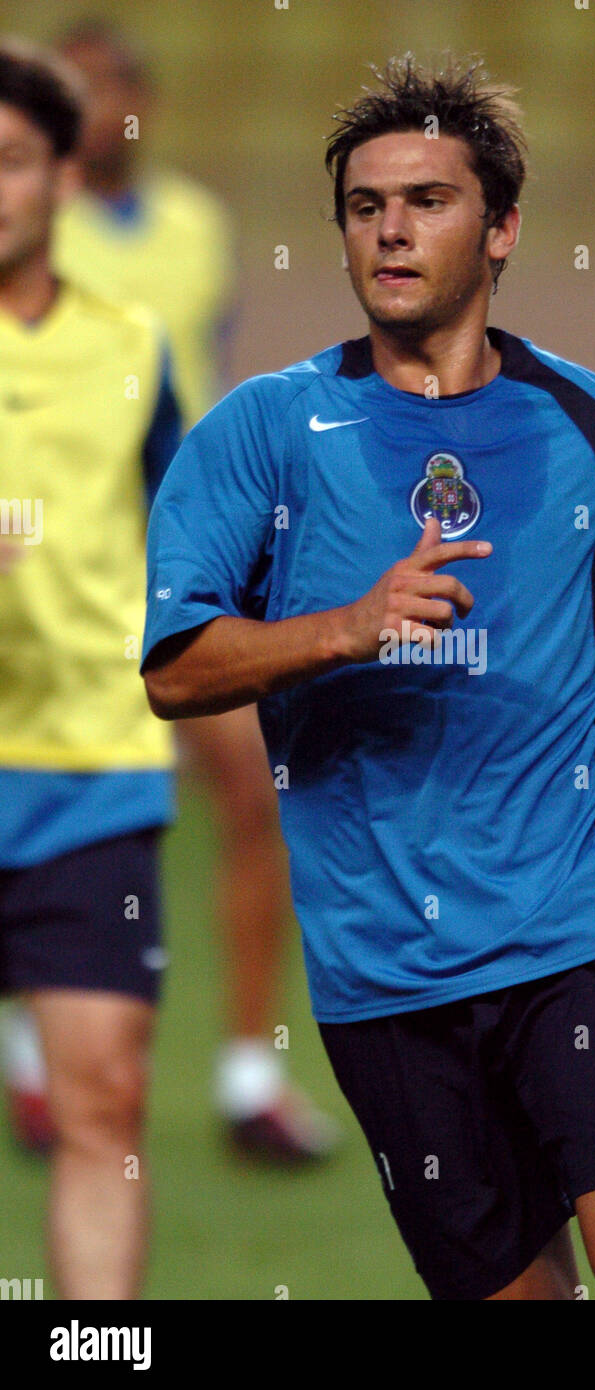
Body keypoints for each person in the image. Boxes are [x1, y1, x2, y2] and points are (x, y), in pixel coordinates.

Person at [139, 56, 595, 1300]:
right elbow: (176, 670)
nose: (389, 228)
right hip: (382, 962)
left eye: (428, 200)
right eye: (363, 205)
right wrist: (345, 627)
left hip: (582, 923)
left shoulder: (594, 418)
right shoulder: (259, 433)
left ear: (500, 228)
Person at [0, 20, 337, 1163]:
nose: (104, 113)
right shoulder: (34, 218)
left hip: (178, 551)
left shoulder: (197, 225)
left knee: (257, 791)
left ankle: (248, 1070)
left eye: (117, 90)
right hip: (52, 557)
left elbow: (202, 376)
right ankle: (39, 1049)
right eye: (79, 95)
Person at [0, 38, 179, 1297]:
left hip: (89, 773)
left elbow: (190, 536)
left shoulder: (134, 348)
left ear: (62, 176)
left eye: (9, 162)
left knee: (103, 1105)